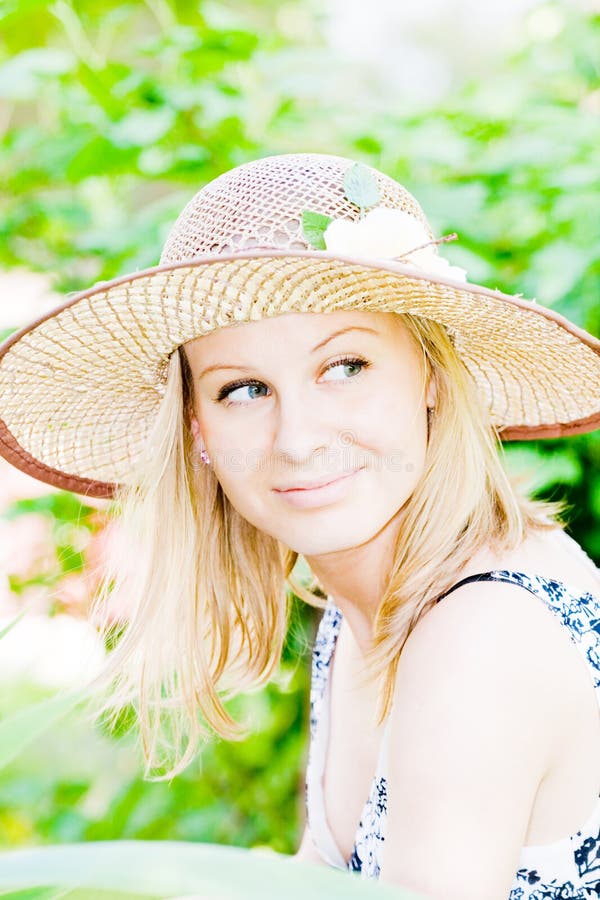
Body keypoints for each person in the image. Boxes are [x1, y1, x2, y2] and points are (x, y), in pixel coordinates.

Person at [0, 152, 599, 900]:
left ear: (432, 375)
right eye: (243, 389)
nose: (297, 439)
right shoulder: (363, 610)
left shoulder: (482, 634)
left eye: (344, 367)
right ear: (197, 428)